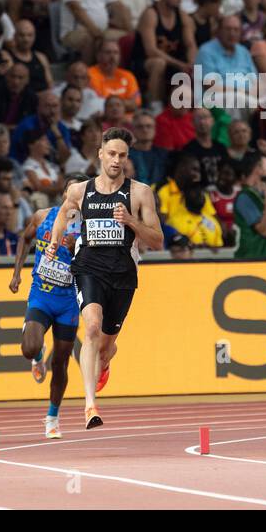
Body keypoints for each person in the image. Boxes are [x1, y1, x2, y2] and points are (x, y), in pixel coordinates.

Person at [46, 128, 163, 429]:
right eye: (111, 154)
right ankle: (90, 406)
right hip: (88, 267)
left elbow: (157, 240)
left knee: (106, 346)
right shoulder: (80, 191)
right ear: (100, 154)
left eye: (122, 155)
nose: (116, 160)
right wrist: (54, 241)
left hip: (123, 274)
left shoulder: (139, 193)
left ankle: (107, 359)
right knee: (92, 329)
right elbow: (62, 215)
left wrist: (131, 222)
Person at [10, 201, 82, 439]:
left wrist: (77, 250)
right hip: (42, 295)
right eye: (71, 195)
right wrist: (17, 273)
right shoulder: (43, 216)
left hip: (68, 302)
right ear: (65, 195)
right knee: (29, 348)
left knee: (60, 363)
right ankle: (37, 357)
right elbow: (24, 238)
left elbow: (96, 264)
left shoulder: (86, 226)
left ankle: (52, 418)